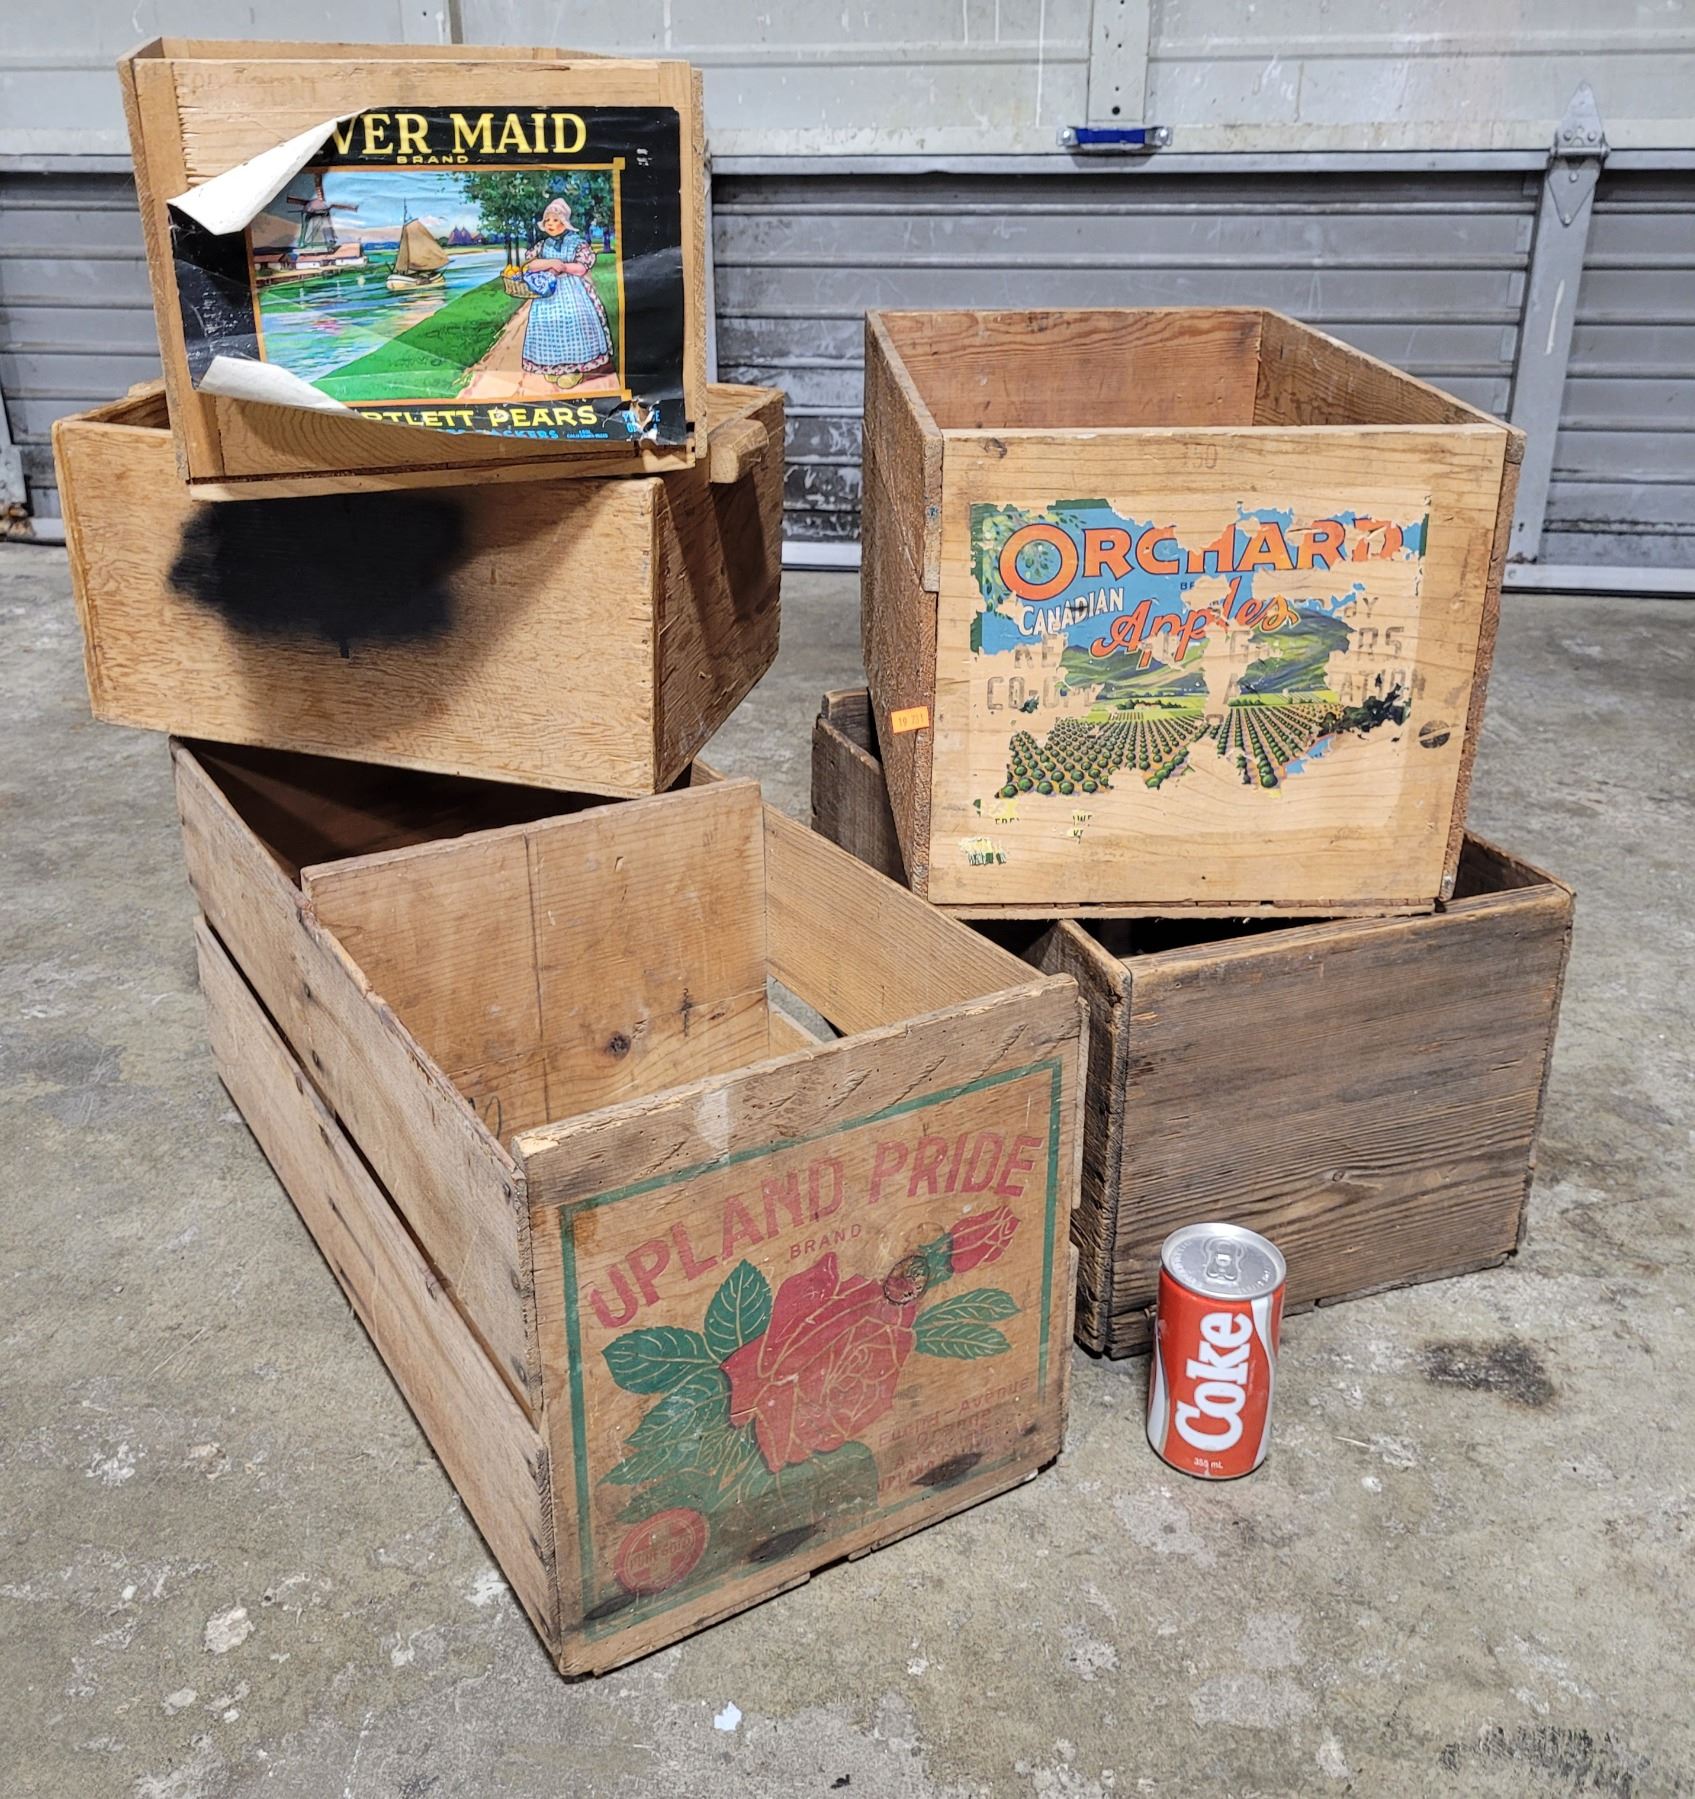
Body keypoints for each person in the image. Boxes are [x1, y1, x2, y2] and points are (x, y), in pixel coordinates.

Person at [519, 198, 614, 388]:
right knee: (548, 329)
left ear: (565, 222)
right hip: (547, 292)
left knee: (572, 325)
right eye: (547, 221)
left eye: (555, 220)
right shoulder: (542, 245)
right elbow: (529, 266)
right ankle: (553, 366)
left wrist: (561, 266)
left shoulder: (576, 243)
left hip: (571, 289)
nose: (551, 225)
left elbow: (581, 268)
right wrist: (549, 264)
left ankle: (573, 369)